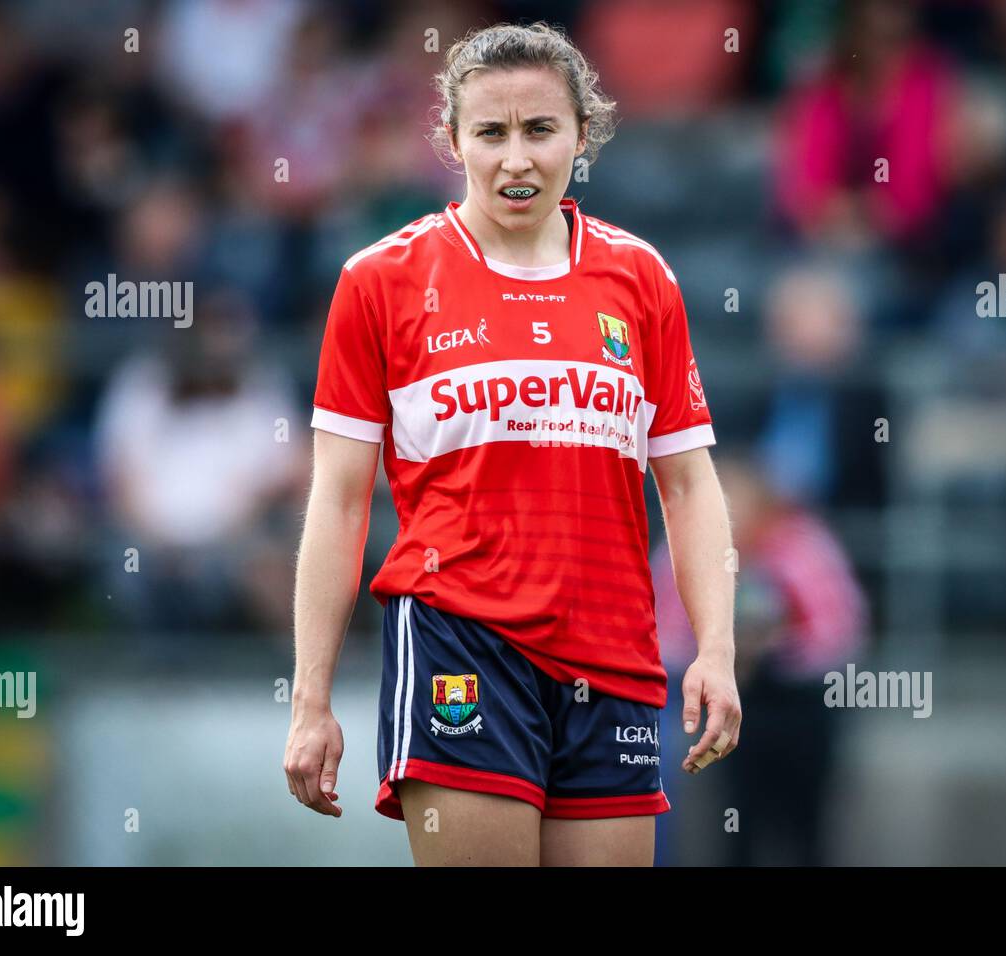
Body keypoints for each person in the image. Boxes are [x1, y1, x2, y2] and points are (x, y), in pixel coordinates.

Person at [283, 21, 741, 867]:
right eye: (491, 133)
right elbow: (341, 500)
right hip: (462, 640)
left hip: (613, 650)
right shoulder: (380, 281)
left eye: (540, 129)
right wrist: (310, 697)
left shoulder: (642, 278)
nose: (516, 158)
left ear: (582, 135)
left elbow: (687, 483)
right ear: (453, 141)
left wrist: (715, 649)